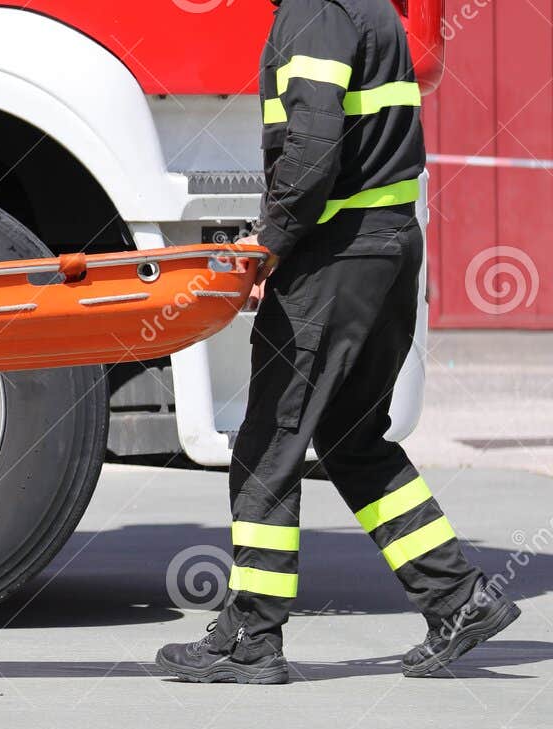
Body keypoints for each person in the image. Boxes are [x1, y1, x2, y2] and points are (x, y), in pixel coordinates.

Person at [156, 0, 520, 684]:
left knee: (271, 441)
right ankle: (456, 598)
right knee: (354, 441)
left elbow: (313, 143)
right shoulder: (370, 10)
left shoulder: (315, 11)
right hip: (387, 247)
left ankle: (252, 637)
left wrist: (271, 243)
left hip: (334, 257)